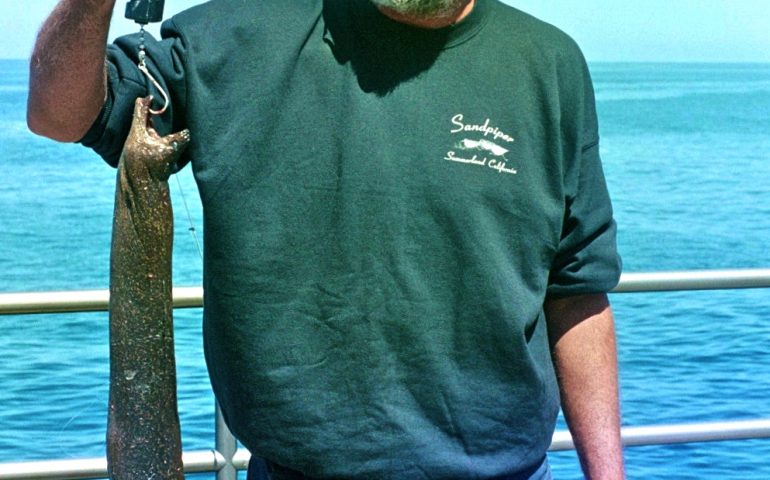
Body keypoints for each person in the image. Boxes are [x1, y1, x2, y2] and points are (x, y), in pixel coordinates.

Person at [27, 0, 625, 478]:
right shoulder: (240, 32)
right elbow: (61, 113)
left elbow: (577, 292)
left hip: (510, 470)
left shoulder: (548, 64)